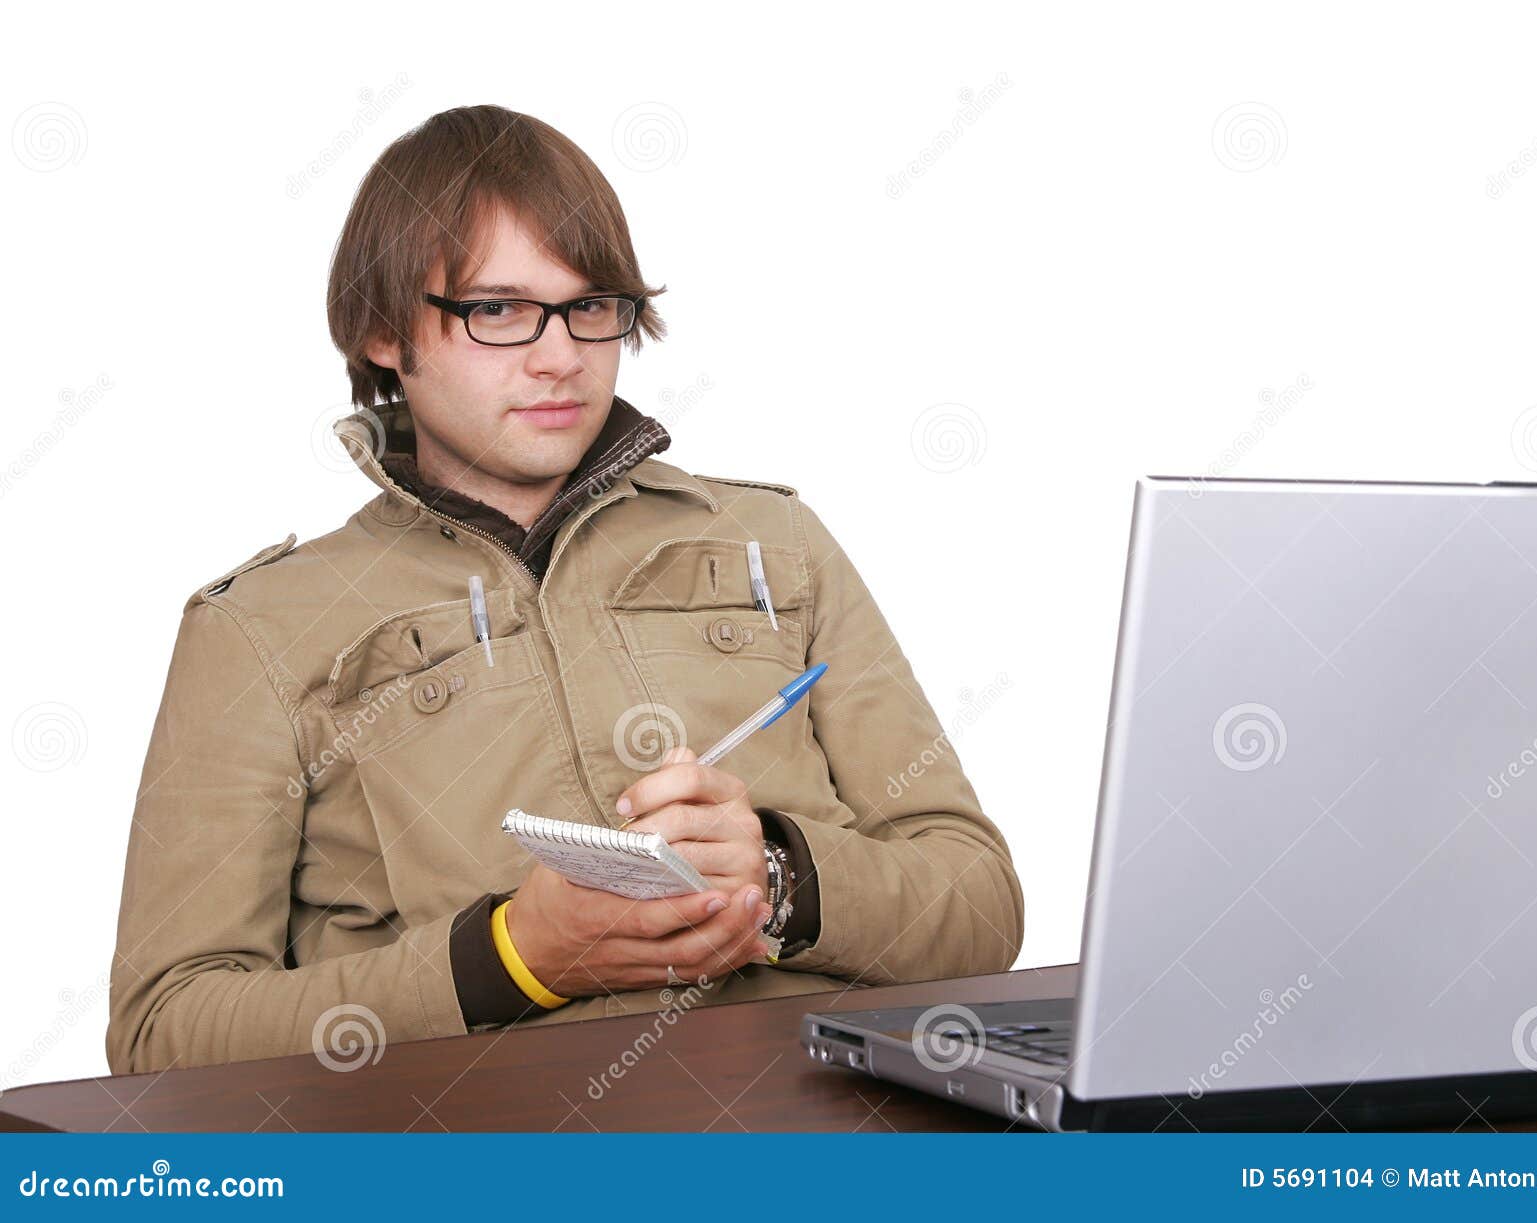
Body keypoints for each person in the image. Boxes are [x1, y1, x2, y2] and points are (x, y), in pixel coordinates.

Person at [106, 104, 1023, 1074]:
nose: (562, 355)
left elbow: (979, 906)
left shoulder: (775, 544)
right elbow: (163, 1031)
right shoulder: (257, 628)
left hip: (827, 1141)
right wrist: (509, 960)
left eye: (591, 305)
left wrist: (780, 872)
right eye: (497, 309)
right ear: (380, 332)